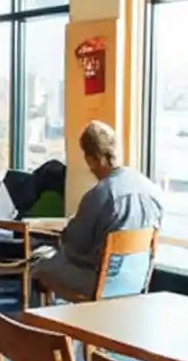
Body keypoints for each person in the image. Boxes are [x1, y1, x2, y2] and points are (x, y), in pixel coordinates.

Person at [31, 121, 163, 299]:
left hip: (101, 282)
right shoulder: (152, 190)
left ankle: (44, 323)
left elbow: (75, 247)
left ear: (92, 158)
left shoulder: (100, 195)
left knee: (40, 262)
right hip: (136, 282)